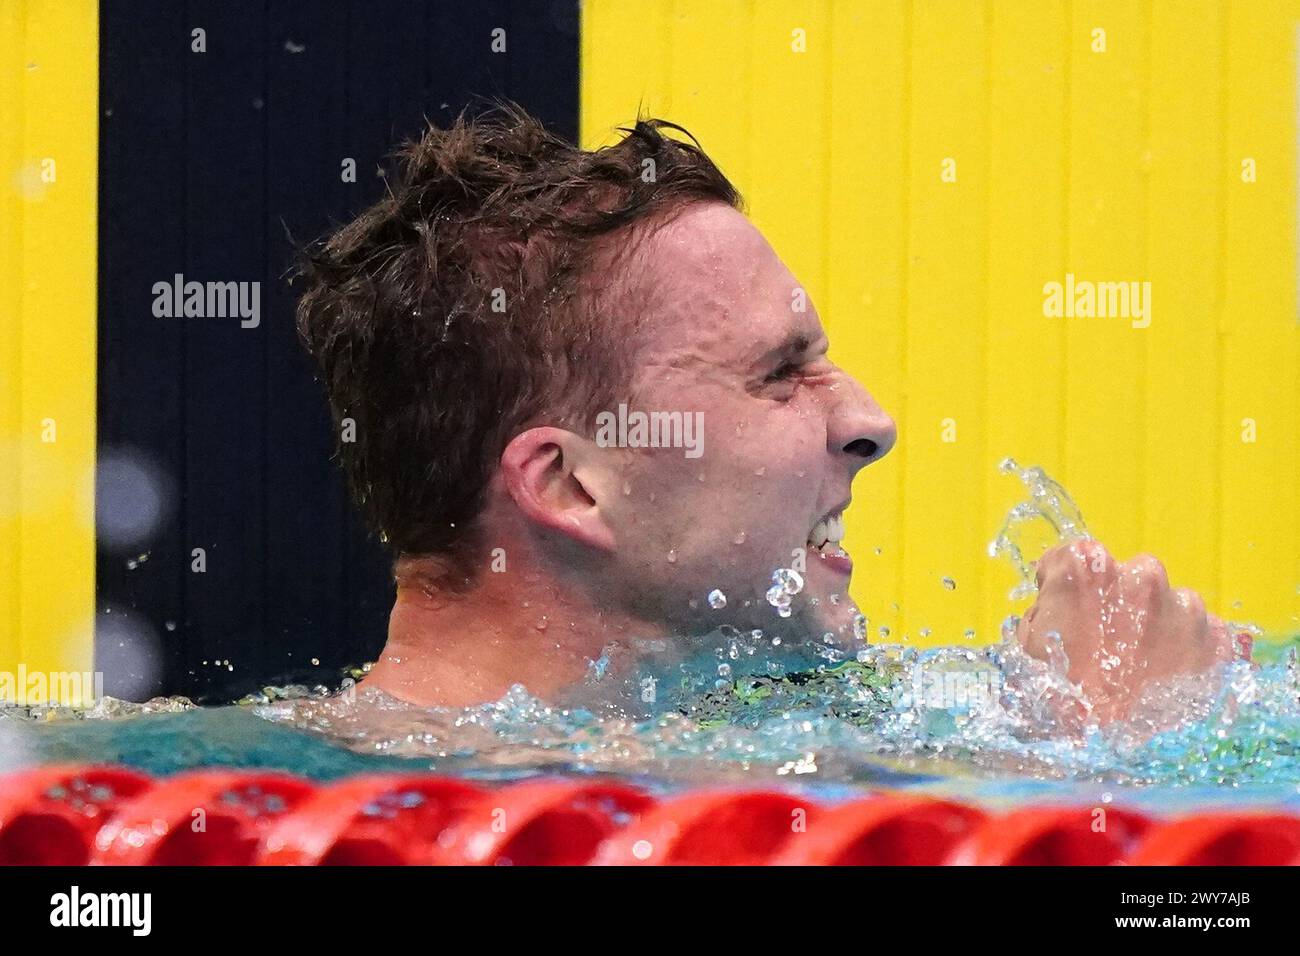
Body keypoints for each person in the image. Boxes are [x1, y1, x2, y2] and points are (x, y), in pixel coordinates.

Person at [294, 105, 1246, 725]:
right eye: (783, 374)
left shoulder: (719, 756)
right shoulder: (348, 817)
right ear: (572, 484)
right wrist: (1104, 773)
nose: (871, 421)